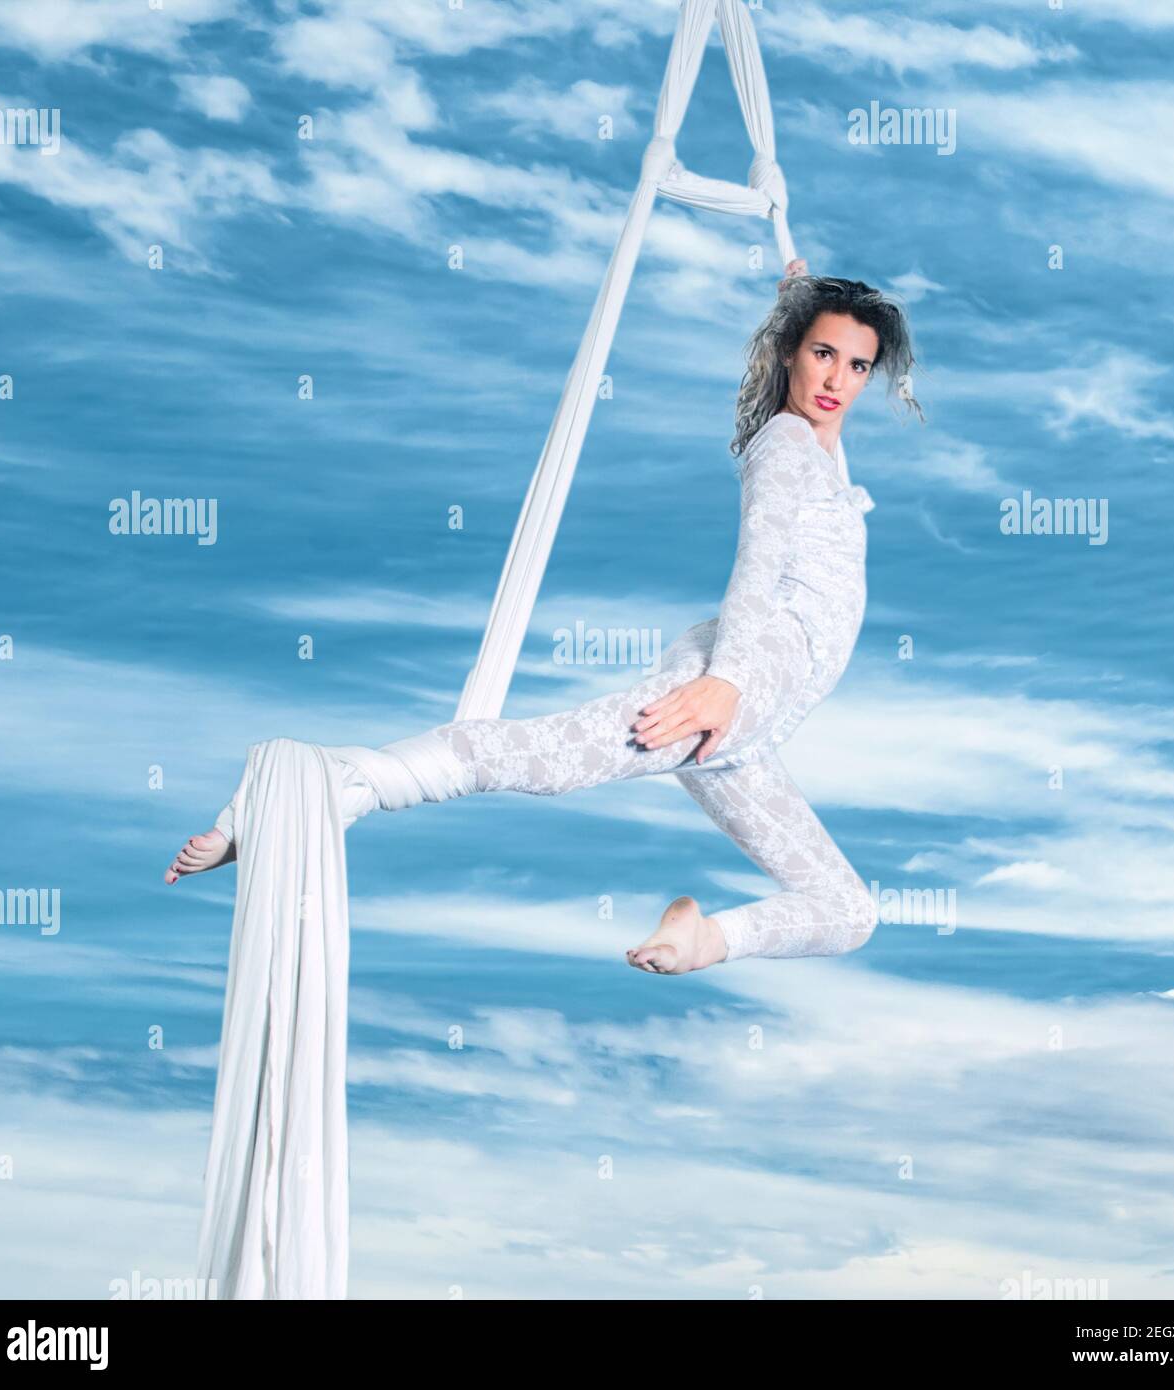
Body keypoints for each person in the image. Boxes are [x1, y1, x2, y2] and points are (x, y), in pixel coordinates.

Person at [164, 262, 924, 975]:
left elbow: (823, 416)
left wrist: (798, 286)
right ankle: (348, 781)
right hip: (744, 676)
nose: (838, 379)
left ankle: (705, 937)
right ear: (792, 353)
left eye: (857, 365)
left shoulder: (821, 443)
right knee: (557, 757)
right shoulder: (787, 446)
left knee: (848, 910)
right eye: (823, 354)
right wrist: (727, 681)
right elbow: (759, 561)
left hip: (758, 719)